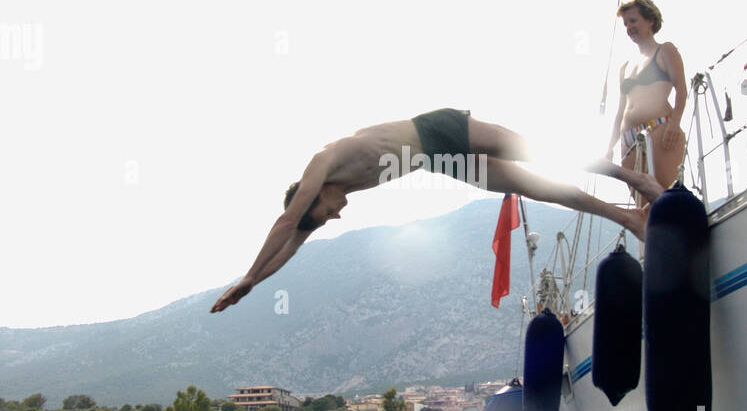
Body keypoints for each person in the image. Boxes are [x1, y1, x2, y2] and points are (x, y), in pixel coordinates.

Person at [210, 108, 663, 312]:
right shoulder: (325, 194)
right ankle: (630, 218)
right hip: (438, 160)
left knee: (535, 152)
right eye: (329, 220)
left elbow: (288, 222)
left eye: (326, 213)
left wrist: (248, 275)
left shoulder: (321, 163)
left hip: (438, 129)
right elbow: (292, 243)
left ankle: (636, 179)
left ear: (311, 196)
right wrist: (252, 284)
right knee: (539, 188)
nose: (336, 216)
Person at [606, 0, 687, 195]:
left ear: (650, 20)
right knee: (643, 203)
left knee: (664, 195)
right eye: (626, 24)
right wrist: (610, 148)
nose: (629, 27)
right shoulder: (624, 67)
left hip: (659, 128)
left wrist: (675, 123)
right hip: (628, 140)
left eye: (633, 21)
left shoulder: (665, 50)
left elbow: (681, 89)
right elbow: (620, 112)